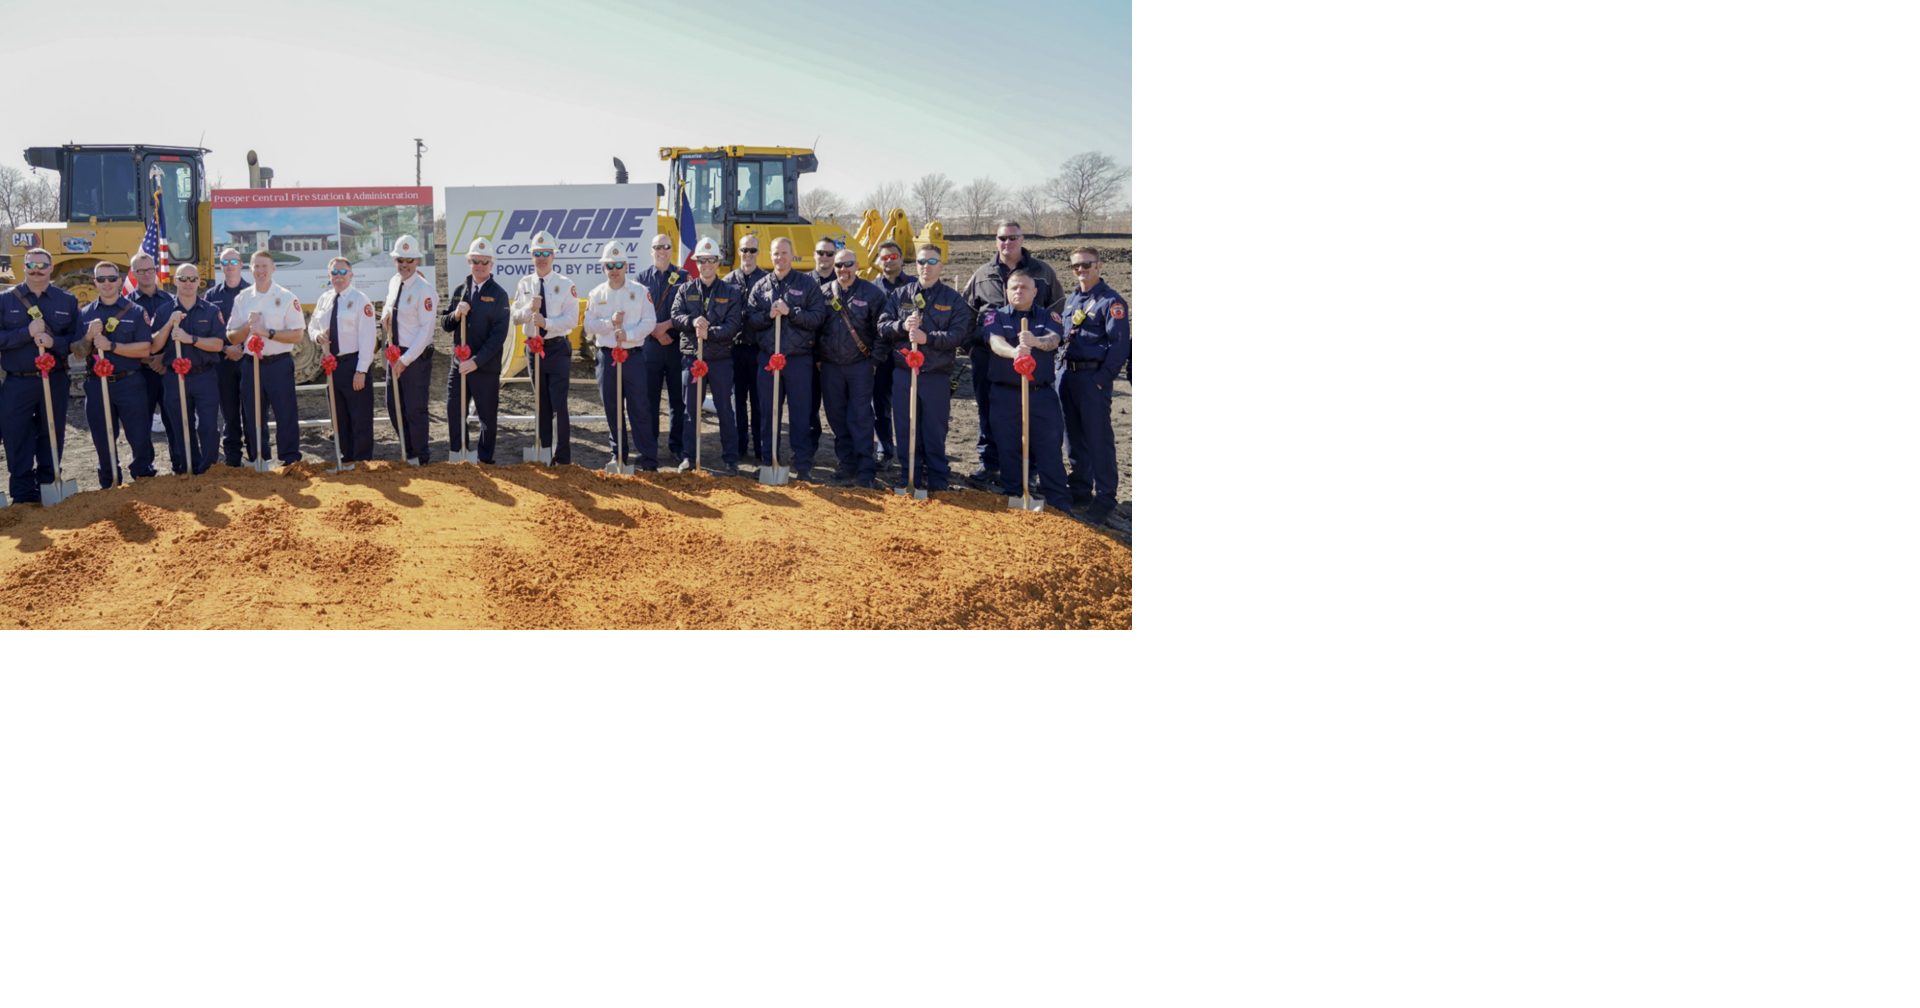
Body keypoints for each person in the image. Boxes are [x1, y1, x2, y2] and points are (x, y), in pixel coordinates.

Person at [962, 220, 1063, 485]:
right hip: (990, 356)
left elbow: (1058, 311)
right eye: (1002, 238)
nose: (1007, 243)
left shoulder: (1043, 272)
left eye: (1012, 237)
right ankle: (990, 463)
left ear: (1022, 238)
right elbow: (966, 314)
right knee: (989, 411)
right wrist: (971, 349)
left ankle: (1028, 469)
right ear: (996, 240)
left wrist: (1043, 344)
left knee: (1028, 411)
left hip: (1032, 358)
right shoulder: (982, 273)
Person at [875, 245, 971, 493]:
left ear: (941, 265)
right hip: (904, 374)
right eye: (921, 261)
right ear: (915, 265)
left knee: (934, 429)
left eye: (931, 261)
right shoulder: (900, 295)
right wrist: (901, 325)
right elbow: (882, 326)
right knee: (906, 427)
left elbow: (959, 334)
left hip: (935, 375)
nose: (926, 266)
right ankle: (910, 477)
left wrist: (928, 338)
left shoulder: (952, 299)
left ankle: (938, 479)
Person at [979, 271, 1071, 511]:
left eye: (1024, 288)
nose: (1019, 292)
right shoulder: (994, 316)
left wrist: (1035, 341)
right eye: (1014, 288)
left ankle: (1058, 502)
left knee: (1049, 445)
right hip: (1005, 394)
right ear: (1007, 292)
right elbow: (995, 342)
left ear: (1034, 292)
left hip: (1040, 394)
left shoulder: (1047, 315)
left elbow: (1055, 339)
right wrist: (1015, 352)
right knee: (1008, 446)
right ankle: (1014, 496)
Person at [0, 247, 79, 503]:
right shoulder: (5, 300)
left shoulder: (66, 301)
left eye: (42, 265)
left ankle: (49, 483)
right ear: (24, 267)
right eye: (31, 265)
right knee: (16, 433)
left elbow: (76, 343)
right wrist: (26, 332)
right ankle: (23, 493)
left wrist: (52, 341)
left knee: (52, 431)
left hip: (54, 379)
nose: (36, 270)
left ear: (51, 268)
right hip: (17, 380)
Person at [744, 237, 826, 479]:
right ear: (769, 256)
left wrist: (791, 312)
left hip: (798, 360)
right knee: (768, 413)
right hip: (768, 359)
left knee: (800, 413)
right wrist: (768, 315)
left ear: (792, 255)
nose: (779, 258)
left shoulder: (807, 284)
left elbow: (817, 317)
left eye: (783, 253)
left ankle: (802, 465)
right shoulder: (761, 286)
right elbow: (750, 319)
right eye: (775, 254)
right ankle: (770, 461)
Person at [1060, 247, 1130, 525]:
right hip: (1067, 376)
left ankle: (1105, 497)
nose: (1081, 270)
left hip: (1092, 379)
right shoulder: (1071, 300)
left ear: (1099, 265)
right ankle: (1080, 490)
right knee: (1073, 438)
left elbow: (1119, 346)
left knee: (1098, 439)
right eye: (1075, 266)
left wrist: (1102, 380)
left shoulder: (1111, 301)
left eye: (1086, 265)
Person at [226, 249, 307, 468]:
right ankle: (259, 459)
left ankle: (290, 460)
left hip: (278, 364)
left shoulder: (287, 297)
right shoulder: (242, 298)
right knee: (253, 415)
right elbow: (232, 336)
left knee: (285, 413)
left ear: (273, 268)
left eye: (264, 266)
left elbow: (297, 334)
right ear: (250, 269)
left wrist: (267, 332)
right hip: (251, 364)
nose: (260, 271)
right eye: (256, 266)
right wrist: (248, 327)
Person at [76, 261, 155, 485]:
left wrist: (111, 346)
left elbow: (144, 349)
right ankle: (110, 481)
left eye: (111, 278)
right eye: (101, 279)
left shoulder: (137, 311)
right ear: (95, 282)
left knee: (139, 436)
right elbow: (78, 353)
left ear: (120, 281)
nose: (107, 283)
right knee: (103, 438)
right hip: (97, 385)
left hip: (129, 383)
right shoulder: (85, 314)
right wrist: (89, 337)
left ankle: (143, 477)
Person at [670, 237, 743, 473]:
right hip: (692, 358)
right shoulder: (685, 289)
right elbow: (676, 316)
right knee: (690, 410)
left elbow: (733, 326)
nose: (706, 264)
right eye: (702, 260)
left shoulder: (730, 292)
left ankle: (731, 459)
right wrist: (693, 322)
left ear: (717, 263)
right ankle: (689, 457)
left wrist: (708, 332)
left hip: (720, 359)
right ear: (696, 263)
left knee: (725, 409)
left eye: (711, 260)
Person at [582, 240, 654, 470]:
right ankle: (618, 455)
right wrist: (609, 323)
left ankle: (648, 458)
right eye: (609, 265)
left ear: (626, 266)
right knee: (612, 408)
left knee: (639, 408)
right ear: (603, 268)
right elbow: (588, 326)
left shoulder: (640, 292)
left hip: (632, 357)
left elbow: (650, 322)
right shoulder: (596, 294)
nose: (614, 270)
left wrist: (629, 333)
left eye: (618, 264)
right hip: (606, 356)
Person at [510, 230, 580, 464]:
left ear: (553, 256)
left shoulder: (565, 284)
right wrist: (529, 309)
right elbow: (515, 317)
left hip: (557, 348)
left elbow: (572, 319)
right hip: (533, 350)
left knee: (559, 403)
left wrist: (546, 323)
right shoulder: (525, 283)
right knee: (541, 402)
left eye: (546, 253)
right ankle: (544, 451)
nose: (541, 257)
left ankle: (561, 458)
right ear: (531, 256)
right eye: (537, 253)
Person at [147, 264, 224, 474]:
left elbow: (218, 344)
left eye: (192, 279)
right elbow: (154, 346)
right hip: (175, 378)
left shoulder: (211, 311)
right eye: (183, 279)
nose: (188, 284)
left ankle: (208, 469)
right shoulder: (164, 311)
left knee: (208, 427)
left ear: (199, 282)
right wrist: (169, 325)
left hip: (204, 377)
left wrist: (190, 339)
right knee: (181, 427)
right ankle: (188, 468)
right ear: (175, 281)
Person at [816, 247, 883, 487]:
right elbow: (815, 330)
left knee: (861, 417)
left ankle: (866, 469)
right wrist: (819, 360)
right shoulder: (822, 294)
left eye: (848, 264)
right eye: (839, 265)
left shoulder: (873, 294)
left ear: (857, 266)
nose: (843, 270)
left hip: (860, 366)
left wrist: (873, 363)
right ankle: (847, 464)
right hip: (831, 367)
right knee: (836, 417)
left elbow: (881, 333)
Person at [442, 238, 511, 465]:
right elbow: (445, 324)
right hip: (458, 367)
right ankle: (459, 456)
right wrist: (456, 315)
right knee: (455, 412)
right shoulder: (459, 291)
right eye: (475, 261)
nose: (479, 265)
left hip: (484, 367)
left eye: (484, 261)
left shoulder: (499, 295)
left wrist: (476, 361)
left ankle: (485, 460)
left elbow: (498, 336)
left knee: (487, 418)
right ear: (469, 262)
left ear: (491, 264)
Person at [308, 256, 379, 462]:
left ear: (351, 274)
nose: (338, 276)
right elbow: (312, 326)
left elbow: (368, 338)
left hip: (353, 364)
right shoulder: (324, 299)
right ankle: (345, 459)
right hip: (332, 366)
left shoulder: (360, 300)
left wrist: (361, 370)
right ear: (329, 276)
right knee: (339, 418)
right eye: (334, 273)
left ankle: (361, 462)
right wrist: (317, 336)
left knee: (360, 418)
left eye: (342, 272)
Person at [634, 233, 687, 467]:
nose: (662, 251)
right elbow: (637, 312)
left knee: (678, 401)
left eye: (666, 246)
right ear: (651, 250)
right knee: (649, 401)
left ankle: (677, 448)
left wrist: (666, 328)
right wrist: (656, 331)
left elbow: (690, 310)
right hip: (650, 349)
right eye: (658, 247)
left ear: (671, 249)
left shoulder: (684, 277)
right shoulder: (641, 278)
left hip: (676, 348)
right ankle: (649, 447)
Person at [382, 235, 435, 465]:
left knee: (415, 409)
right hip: (394, 351)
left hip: (414, 356)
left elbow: (426, 331)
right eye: (400, 260)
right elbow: (389, 303)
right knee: (393, 406)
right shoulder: (394, 282)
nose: (404, 264)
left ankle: (421, 458)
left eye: (409, 260)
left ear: (417, 262)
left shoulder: (425, 290)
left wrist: (405, 360)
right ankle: (409, 450)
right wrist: (385, 313)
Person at [125, 252, 180, 450]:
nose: (146, 274)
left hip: (168, 371)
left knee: (174, 421)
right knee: (141, 425)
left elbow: (179, 336)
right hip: (139, 374)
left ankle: (179, 465)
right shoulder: (125, 305)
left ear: (156, 271)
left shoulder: (171, 301)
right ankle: (145, 471)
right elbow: (126, 341)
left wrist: (162, 359)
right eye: (141, 270)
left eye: (150, 269)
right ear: (133, 273)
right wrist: (149, 361)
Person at [203, 247, 252, 466]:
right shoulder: (211, 296)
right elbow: (208, 331)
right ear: (220, 266)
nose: (229, 265)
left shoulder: (253, 292)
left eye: (233, 261)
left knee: (252, 410)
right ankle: (233, 459)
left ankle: (256, 455)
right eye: (225, 262)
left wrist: (241, 347)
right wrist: (226, 349)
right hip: (223, 362)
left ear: (241, 264)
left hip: (249, 359)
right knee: (229, 412)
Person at [723, 233, 767, 462]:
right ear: (738, 252)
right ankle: (741, 445)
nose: (748, 254)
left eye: (752, 250)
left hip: (759, 349)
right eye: (744, 250)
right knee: (737, 399)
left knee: (759, 401)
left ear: (758, 253)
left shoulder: (767, 281)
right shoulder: (729, 280)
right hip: (735, 348)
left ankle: (760, 448)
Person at [870, 240, 911, 467]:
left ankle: (913, 455)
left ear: (901, 258)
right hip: (882, 357)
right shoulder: (872, 288)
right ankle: (885, 452)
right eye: (884, 257)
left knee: (910, 409)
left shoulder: (916, 286)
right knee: (880, 408)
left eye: (893, 256)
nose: (889, 261)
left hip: (911, 358)